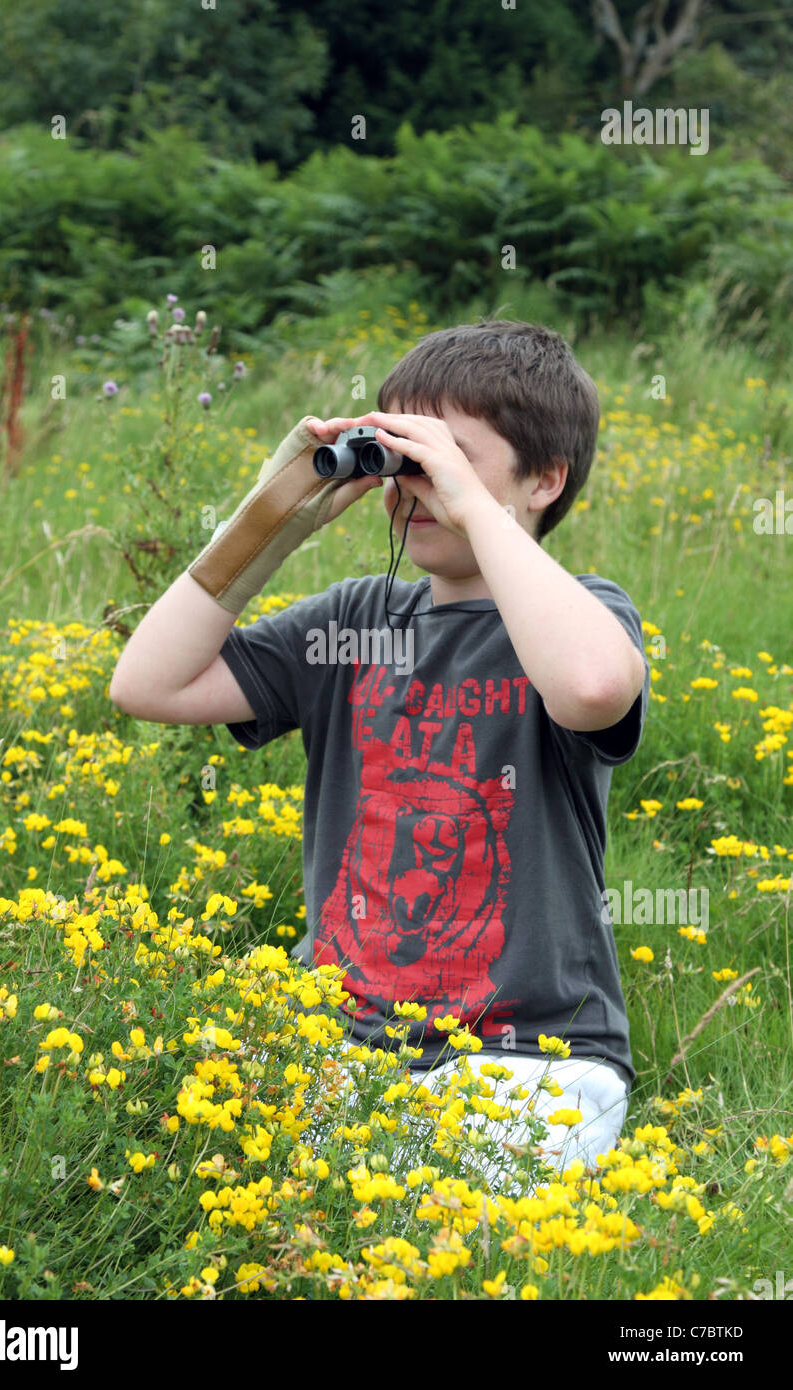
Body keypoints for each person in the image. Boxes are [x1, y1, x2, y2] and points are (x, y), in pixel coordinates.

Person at [108, 318, 651, 1191]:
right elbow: (148, 684)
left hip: (537, 1054)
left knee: (407, 1209)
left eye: (446, 459)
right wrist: (267, 522)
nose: (412, 485)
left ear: (545, 479)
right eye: (398, 455)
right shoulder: (355, 622)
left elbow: (590, 687)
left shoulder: (584, 613)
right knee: (196, 1164)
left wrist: (472, 504)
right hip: (346, 1042)